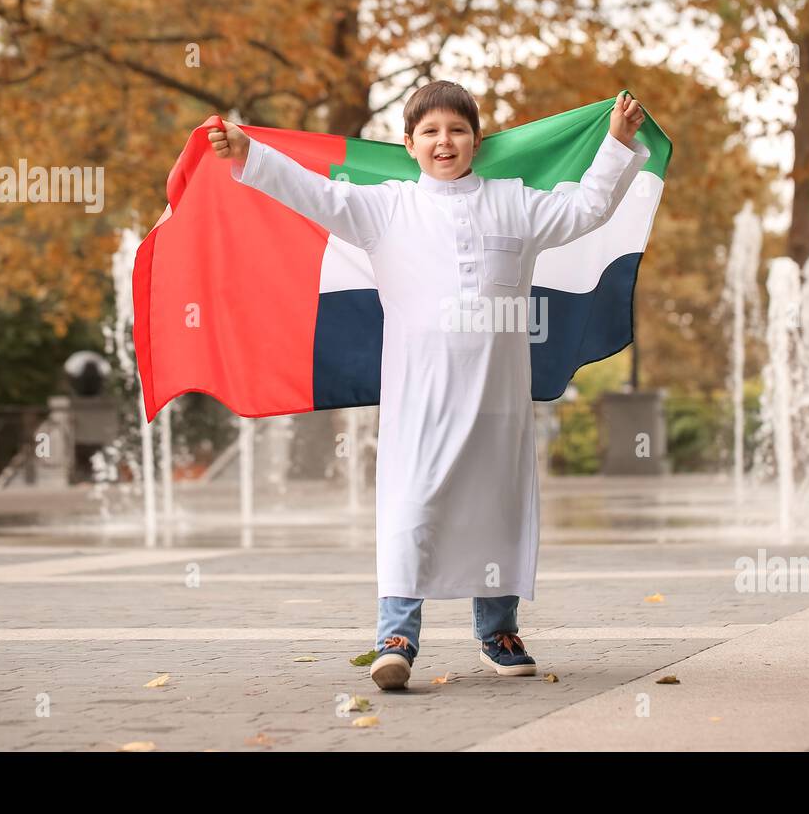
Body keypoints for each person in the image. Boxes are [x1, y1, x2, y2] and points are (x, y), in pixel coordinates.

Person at [208, 82, 649, 690]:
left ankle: (498, 630)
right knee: (412, 505)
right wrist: (246, 152)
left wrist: (617, 145)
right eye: (432, 132)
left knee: (496, 505)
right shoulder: (386, 208)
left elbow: (587, 210)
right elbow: (314, 192)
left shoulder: (513, 203)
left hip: (497, 398)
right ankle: (396, 636)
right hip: (420, 395)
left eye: (458, 130)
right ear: (409, 143)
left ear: (476, 140)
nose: (446, 141)